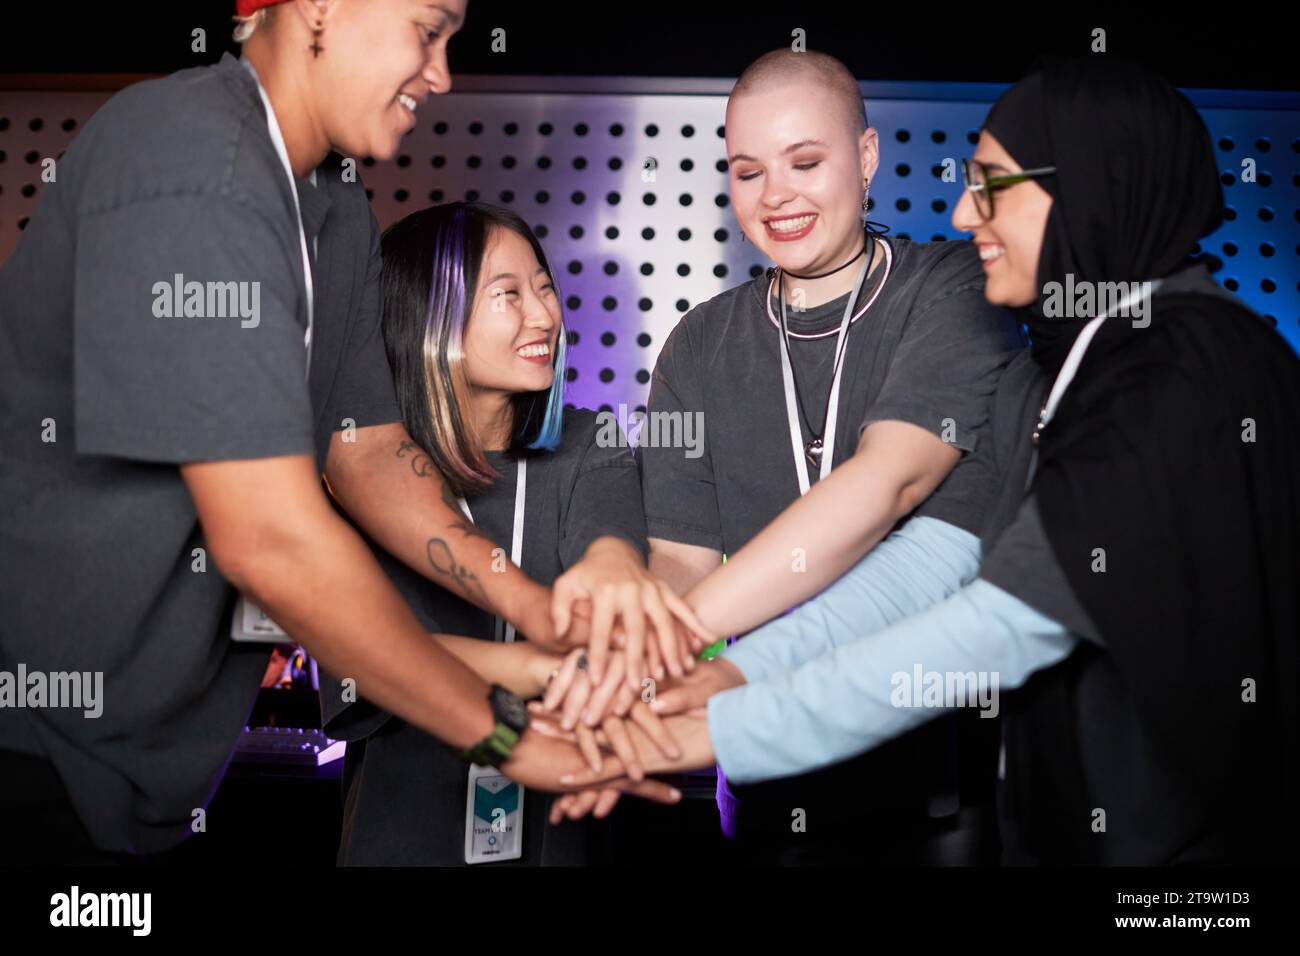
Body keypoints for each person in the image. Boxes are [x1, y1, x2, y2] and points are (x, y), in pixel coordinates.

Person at [548, 55, 1300, 866]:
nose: (960, 211)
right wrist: (719, 682)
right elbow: (938, 558)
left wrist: (716, 723)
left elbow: (1011, 619)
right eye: (747, 170)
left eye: (992, 186)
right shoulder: (1072, 364)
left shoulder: (1181, 358)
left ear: (1092, 182)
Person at [0, 0, 672, 865]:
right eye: (428, 29)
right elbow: (270, 542)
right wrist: (514, 741)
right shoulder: (197, 157)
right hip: (32, 748)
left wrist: (532, 605)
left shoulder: (334, 204)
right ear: (320, 9)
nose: (442, 73)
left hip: (133, 771)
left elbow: (366, 455)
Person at [573, 47, 1024, 864]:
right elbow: (681, 557)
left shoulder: (953, 286)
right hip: (762, 766)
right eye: (748, 172)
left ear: (866, 156)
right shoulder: (700, 341)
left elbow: (892, 478)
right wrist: (636, 664)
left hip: (930, 771)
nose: (776, 196)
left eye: (805, 162)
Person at [320, 202, 683, 864]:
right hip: (402, 832)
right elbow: (369, 659)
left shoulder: (587, 440)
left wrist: (614, 568)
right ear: (428, 319)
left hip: (558, 831)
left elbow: (611, 540)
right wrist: (547, 669)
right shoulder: (367, 476)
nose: (544, 315)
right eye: (508, 294)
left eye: (544, 287)